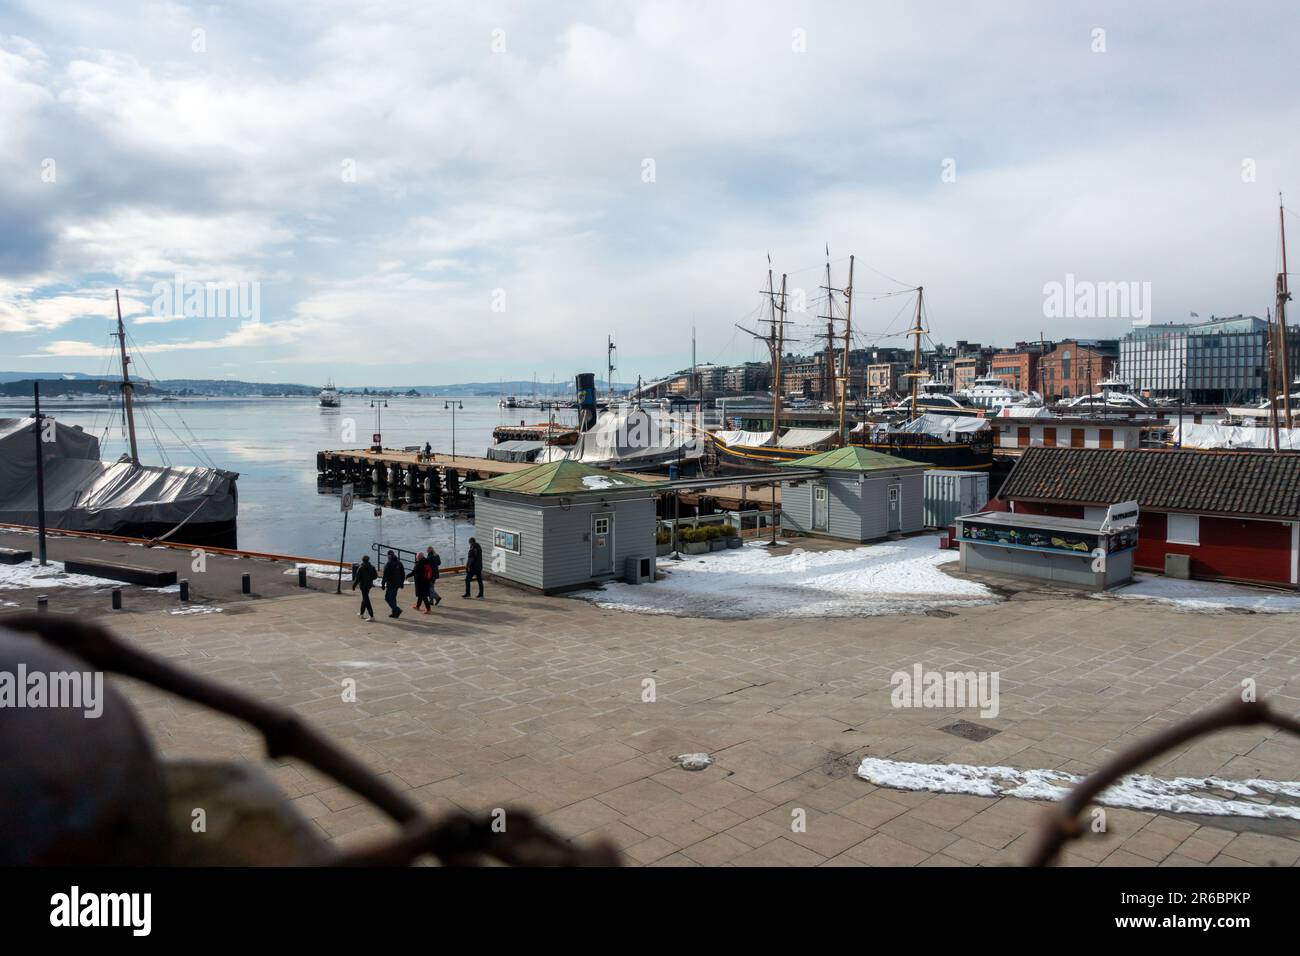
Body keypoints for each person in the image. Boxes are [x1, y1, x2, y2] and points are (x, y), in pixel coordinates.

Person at [381, 550, 405, 618]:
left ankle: (397, 610)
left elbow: (385, 575)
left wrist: (383, 584)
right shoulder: (399, 563)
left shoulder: (388, 563)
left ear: (388, 556)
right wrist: (402, 583)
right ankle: (395, 613)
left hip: (391, 584)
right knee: (393, 598)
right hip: (397, 584)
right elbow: (402, 574)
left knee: (387, 598)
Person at [352, 555, 377, 620]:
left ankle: (371, 616)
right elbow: (375, 576)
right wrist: (369, 579)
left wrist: (354, 586)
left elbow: (357, 579)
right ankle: (361, 614)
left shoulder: (361, 568)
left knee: (366, 600)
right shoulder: (372, 567)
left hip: (363, 586)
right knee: (364, 598)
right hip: (369, 585)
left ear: (362, 560)